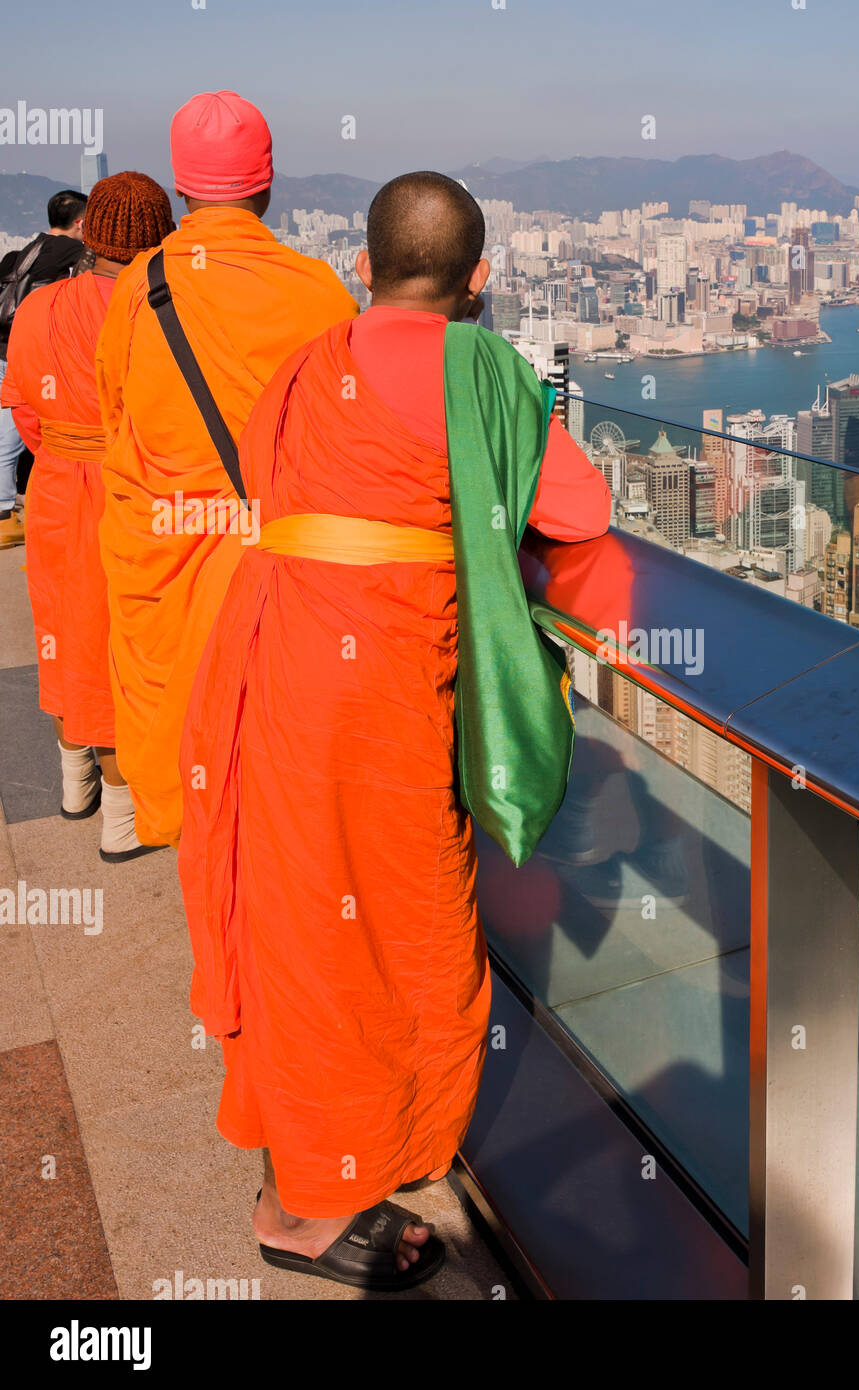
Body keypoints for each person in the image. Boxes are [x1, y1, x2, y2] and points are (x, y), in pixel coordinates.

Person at [178, 171, 611, 1290]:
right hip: (370, 682)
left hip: (267, 648)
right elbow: (579, 512)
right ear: (478, 280)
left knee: (288, 916)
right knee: (374, 934)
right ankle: (308, 1202)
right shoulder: (481, 366)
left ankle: (309, 1173)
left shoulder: (310, 360)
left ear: (362, 266)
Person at [95, 91, 357, 849]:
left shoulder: (139, 290)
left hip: (168, 550)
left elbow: (118, 420)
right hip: (281, 553)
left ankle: (194, 838)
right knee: (278, 754)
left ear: (182, 190)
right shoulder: (319, 291)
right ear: (268, 190)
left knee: (180, 733)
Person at [1, 174, 174, 860]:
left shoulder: (41, 305)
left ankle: (75, 781)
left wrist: (64, 455)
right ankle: (123, 809)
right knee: (122, 641)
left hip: (55, 489)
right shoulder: (155, 308)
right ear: (157, 237)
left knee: (64, 629)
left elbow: (23, 407)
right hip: (131, 490)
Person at [0, 189, 88, 549]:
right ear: (81, 223)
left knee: (11, 426)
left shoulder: (19, 254)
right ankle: (5, 511)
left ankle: (13, 502)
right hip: (40, 354)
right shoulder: (79, 257)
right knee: (18, 433)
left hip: (4, 348)